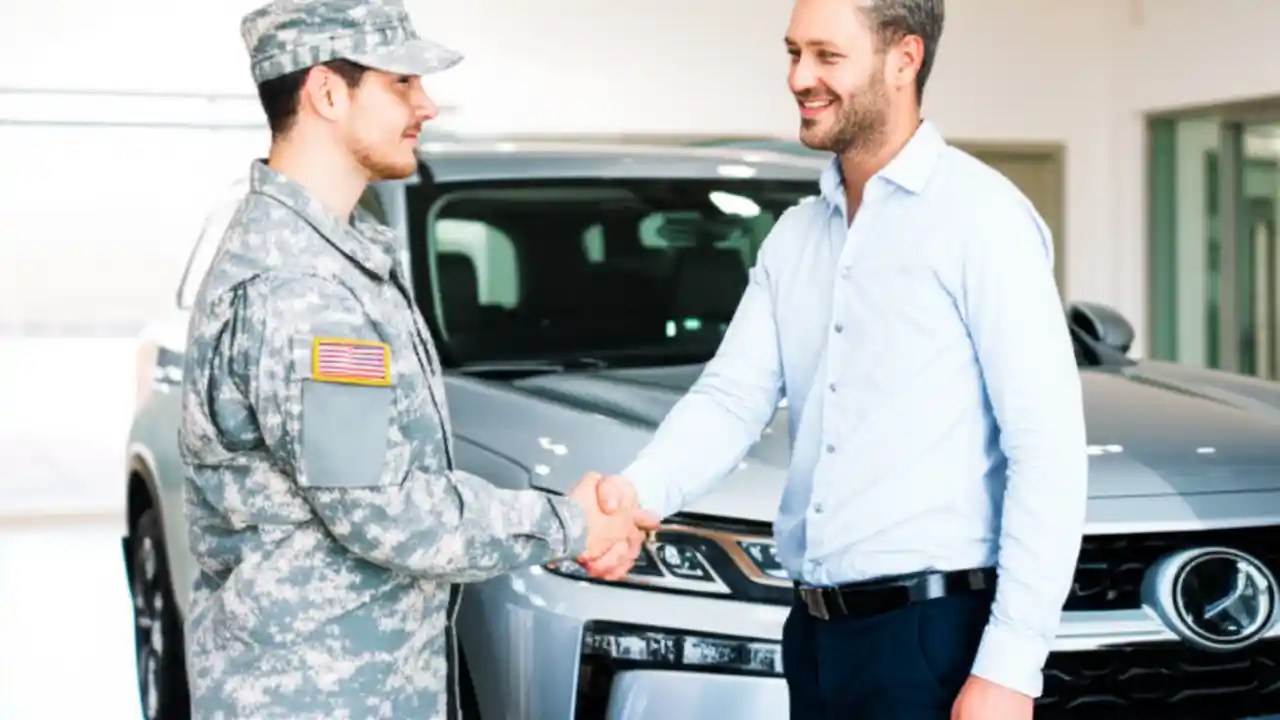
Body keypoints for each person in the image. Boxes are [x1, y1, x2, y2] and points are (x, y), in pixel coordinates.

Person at [583, 0, 1088, 718]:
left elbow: (1048, 452)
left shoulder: (981, 218)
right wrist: (638, 495)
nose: (799, 77)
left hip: (933, 640)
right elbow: (732, 399)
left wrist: (1011, 667)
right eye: (793, 53)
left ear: (904, 59)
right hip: (817, 637)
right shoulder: (795, 235)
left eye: (827, 55)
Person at [176, 1, 656, 718]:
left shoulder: (339, 256)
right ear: (327, 94)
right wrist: (573, 523)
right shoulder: (301, 289)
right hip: (316, 696)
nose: (426, 104)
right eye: (401, 82)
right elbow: (389, 512)